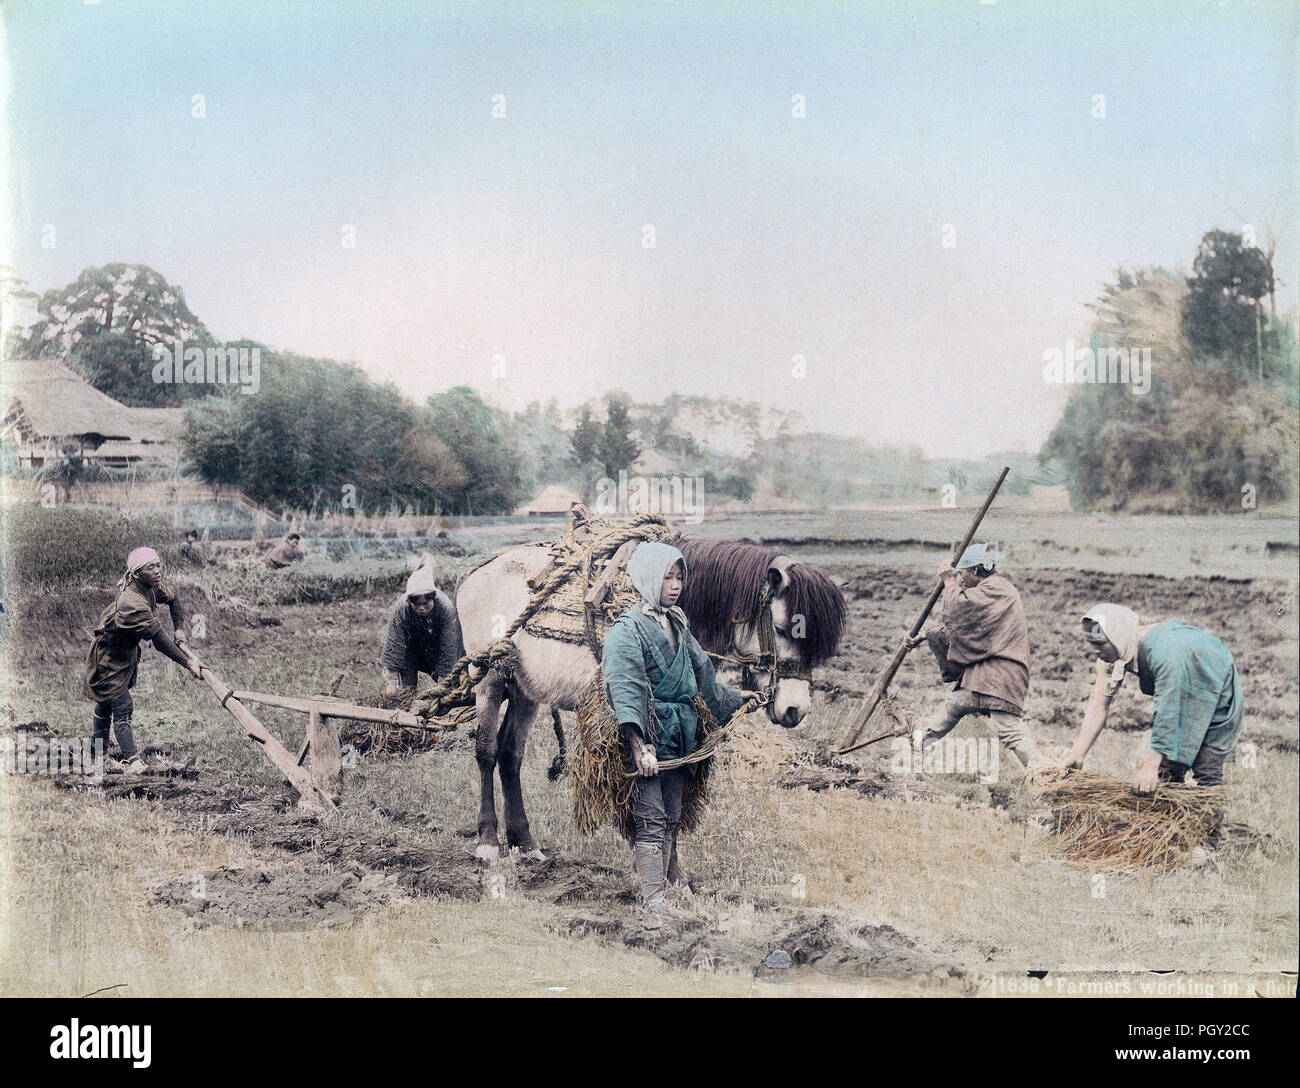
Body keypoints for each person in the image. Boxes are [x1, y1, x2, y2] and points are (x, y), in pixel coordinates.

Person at [602, 541, 754, 916]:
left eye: (679, 577)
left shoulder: (678, 622)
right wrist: (639, 745)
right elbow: (626, 689)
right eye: (667, 577)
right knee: (651, 818)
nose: (675, 585)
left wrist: (738, 698)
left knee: (671, 815)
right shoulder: (627, 631)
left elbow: (704, 674)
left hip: (681, 735)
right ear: (648, 579)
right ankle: (653, 902)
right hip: (649, 736)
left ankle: (662, 894)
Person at [1062, 603, 1245, 792]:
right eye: (1091, 644)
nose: (1095, 651)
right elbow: (1099, 703)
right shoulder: (1116, 651)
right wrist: (1077, 754)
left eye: (1100, 644)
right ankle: (1173, 816)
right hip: (1178, 683)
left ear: (1116, 635)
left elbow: (1169, 708)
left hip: (1215, 682)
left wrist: (1150, 766)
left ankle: (1211, 818)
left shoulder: (1162, 653)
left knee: (1207, 766)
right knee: (1167, 770)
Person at [905, 542, 1047, 770]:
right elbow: (961, 628)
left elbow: (960, 610)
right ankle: (915, 751)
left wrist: (948, 582)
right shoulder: (991, 589)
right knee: (952, 708)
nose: (961, 580)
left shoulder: (997, 588)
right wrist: (924, 636)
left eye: (962, 574)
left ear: (975, 571)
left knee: (1008, 730)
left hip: (1001, 675)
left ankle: (1046, 775)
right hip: (983, 676)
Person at [84, 547, 204, 773]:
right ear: (137, 573)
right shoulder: (132, 602)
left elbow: (174, 599)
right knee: (122, 705)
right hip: (107, 657)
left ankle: (98, 752)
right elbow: (159, 641)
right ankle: (132, 761)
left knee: (106, 702)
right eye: (151, 567)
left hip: (124, 653)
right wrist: (189, 663)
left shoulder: (150, 587)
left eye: (159, 565)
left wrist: (179, 629)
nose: (158, 571)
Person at [378, 554, 465, 701]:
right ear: (409, 601)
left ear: (434, 598)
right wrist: (391, 681)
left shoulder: (446, 609)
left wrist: (443, 683)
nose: (421, 608)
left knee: (446, 692)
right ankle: (406, 705)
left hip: (437, 648)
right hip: (411, 649)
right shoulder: (402, 608)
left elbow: (449, 647)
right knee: (406, 691)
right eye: (416, 604)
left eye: (426, 603)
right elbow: (394, 643)